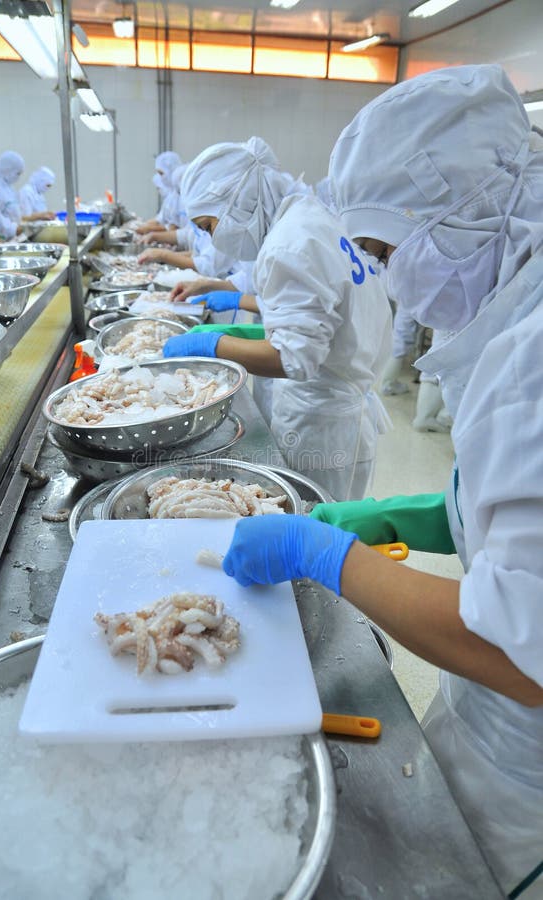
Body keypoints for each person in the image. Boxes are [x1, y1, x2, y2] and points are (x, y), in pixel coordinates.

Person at [220, 65, 543, 898]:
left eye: (391, 252)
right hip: (491, 721)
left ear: (473, 215)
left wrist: (326, 556)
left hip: (527, 774)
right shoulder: (512, 316)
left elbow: (521, 653)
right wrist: (427, 516)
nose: (389, 277)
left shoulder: (530, 365)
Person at [162, 136, 392, 500]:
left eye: (209, 225)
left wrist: (212, 344)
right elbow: (319, 317)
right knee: (328, 524)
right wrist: (238, 303)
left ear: (238, 199)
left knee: (312, 532)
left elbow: (294, 358)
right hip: (339, 410)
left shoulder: (290, 243)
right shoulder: (309, 217)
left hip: (319, 422)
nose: (213, 238)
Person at [136, 151, 182, 236]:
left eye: (161, 173)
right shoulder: (173, 195)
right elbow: (162, 220)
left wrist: (149, 230)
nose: (161, 178)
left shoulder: (180, 195)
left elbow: (175, 227)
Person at [0, 150, 24, 224]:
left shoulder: (9, 188)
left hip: (15, 231)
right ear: (7, 170)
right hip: (5, 233)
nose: (19, 177)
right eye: (17, 173)